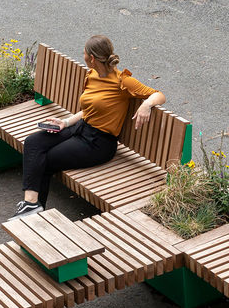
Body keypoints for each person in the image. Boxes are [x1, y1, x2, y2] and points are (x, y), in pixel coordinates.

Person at [10, 35, 167, 218]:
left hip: (98, 142)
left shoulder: (122, 81)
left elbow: (159, 94)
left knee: (46, 159)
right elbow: (91, 109)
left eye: (84, 53)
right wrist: (66, 122)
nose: (83, 56)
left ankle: (33, 212)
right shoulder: (92, 75)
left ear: (92, 58)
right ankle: (31, 205)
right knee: (33, 143)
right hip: (81, 128)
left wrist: (146, 105)